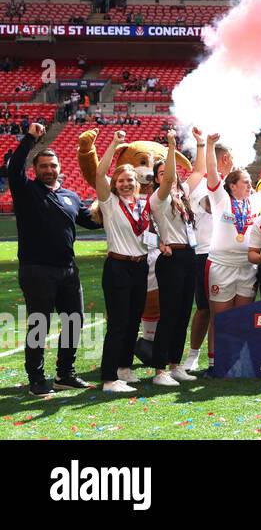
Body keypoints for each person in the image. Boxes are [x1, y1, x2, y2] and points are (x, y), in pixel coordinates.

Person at [7, 122, 98, 396]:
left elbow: (92, 221)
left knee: (74, 321)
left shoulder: (70, 196)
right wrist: (30, 138)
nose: (48, 170)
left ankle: (65, 375)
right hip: (37, 270)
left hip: (69, 271)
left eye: (53, 166)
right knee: (39, 325)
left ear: (60, 168)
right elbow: (13, 168)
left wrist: (110, 199)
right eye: (43, 166)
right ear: (35, 170)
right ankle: (36, 378)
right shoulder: (26, 191)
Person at [95, 130, 155, 392]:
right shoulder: (109, 203)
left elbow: (147, 235)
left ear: (137, 183)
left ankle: (124, 369)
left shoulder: (142, 205)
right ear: (114, 183)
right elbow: (99, 174)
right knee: (118, 323)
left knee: (133, 321)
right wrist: (115, 144)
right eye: (121, 180)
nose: (126, 184)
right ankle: (109, 379)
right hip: (118, 266)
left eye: (130, 180)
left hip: (140, 266)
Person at [203, 133, 261, 358]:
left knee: (242, 316)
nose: (251, 185)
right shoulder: (221, 201)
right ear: (233, 185)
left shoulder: (253, 202)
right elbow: (211, 173)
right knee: (220, 318)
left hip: (247, 267)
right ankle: (213, 362)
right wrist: (209, 145)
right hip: (221, 265)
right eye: (246, 182)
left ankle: (237, 360)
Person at [148, 131, 198, 385]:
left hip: (188, 255)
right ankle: (159, 369)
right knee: (169, 313)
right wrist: (170, 146)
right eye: (162, 175)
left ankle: (175, 364)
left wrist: (203, 144)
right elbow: (169, 178)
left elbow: (197, 173)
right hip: (171, 259)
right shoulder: (159, 198)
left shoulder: (182, 197)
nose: (169, 177)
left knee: (182, 313)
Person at [181, 127, 232, 374]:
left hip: (232, 255)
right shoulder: (200, 184)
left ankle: (226, 353)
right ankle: (193, 355)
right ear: (223, 159)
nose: (233, 162)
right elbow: (200, 172)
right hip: (204, 253)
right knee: (204, 308)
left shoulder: (237, 185)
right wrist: (204, 144)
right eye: (231, 158)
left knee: (229, 308)